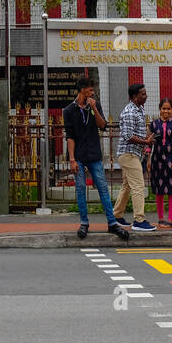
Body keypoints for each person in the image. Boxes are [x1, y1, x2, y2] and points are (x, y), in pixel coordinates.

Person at [63, 77, 128, 240]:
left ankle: (112, 223)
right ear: (82, 90)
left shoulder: (94, 105)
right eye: (90, 90)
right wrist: (71, 159)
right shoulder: (69, 110)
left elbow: (103, 126)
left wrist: (94, 108)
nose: (92, 93)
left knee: (103, 188)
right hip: (78, 155)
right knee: (80, 188)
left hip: (94, 155)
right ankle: (84, 222)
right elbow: (69, 136)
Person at [112, 83, 157, 233]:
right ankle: (139, 220)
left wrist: (146, 139)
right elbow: (127, 136)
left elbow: (136, 132)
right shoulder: (130, 112)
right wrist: (145, 141)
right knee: (138, 186)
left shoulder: (139, 109)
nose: (146, 96)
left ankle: (116, 215)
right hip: (128, 154)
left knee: (127, 186)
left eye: (145, 93)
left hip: (133, 154)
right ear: (134, 97)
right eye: (143, 94)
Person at [147, 99, 172, 228]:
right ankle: (161, 218)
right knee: (159, 190)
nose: (166, 111)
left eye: (168, 109)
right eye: (164, 108)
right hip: (157, 160)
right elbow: (149, 144)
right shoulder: (153, 125)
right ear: (160, 109)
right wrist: (148, 159)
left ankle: (170, 218)